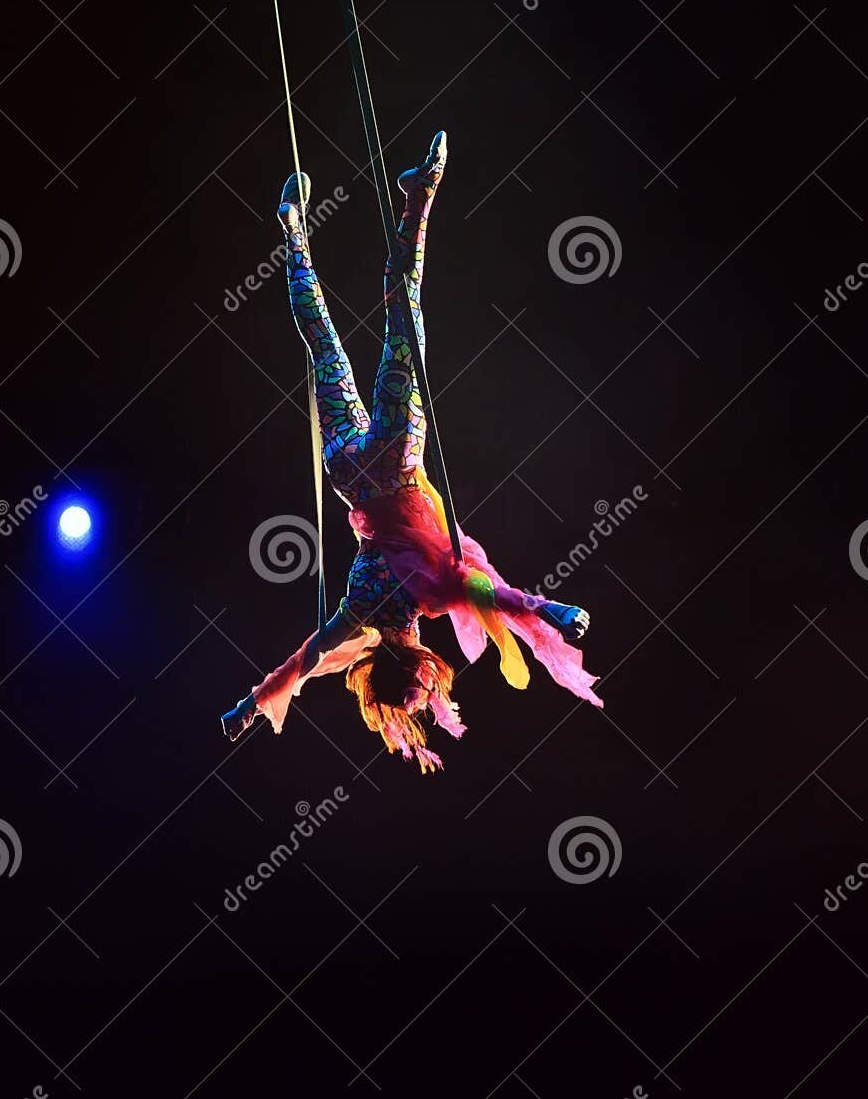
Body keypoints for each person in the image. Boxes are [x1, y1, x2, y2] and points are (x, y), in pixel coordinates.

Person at [222, 132, 600, 772]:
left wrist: (557, 611)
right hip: (347, 469)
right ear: (374, 666)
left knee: (406, 320)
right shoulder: (355, 614)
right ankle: (293, 232)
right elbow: (306, 662)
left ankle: (418, 199)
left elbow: (501, 596)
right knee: (323, 345)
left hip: (394, 463)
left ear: (419, 656)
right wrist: (247, 705)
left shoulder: (427, 595)